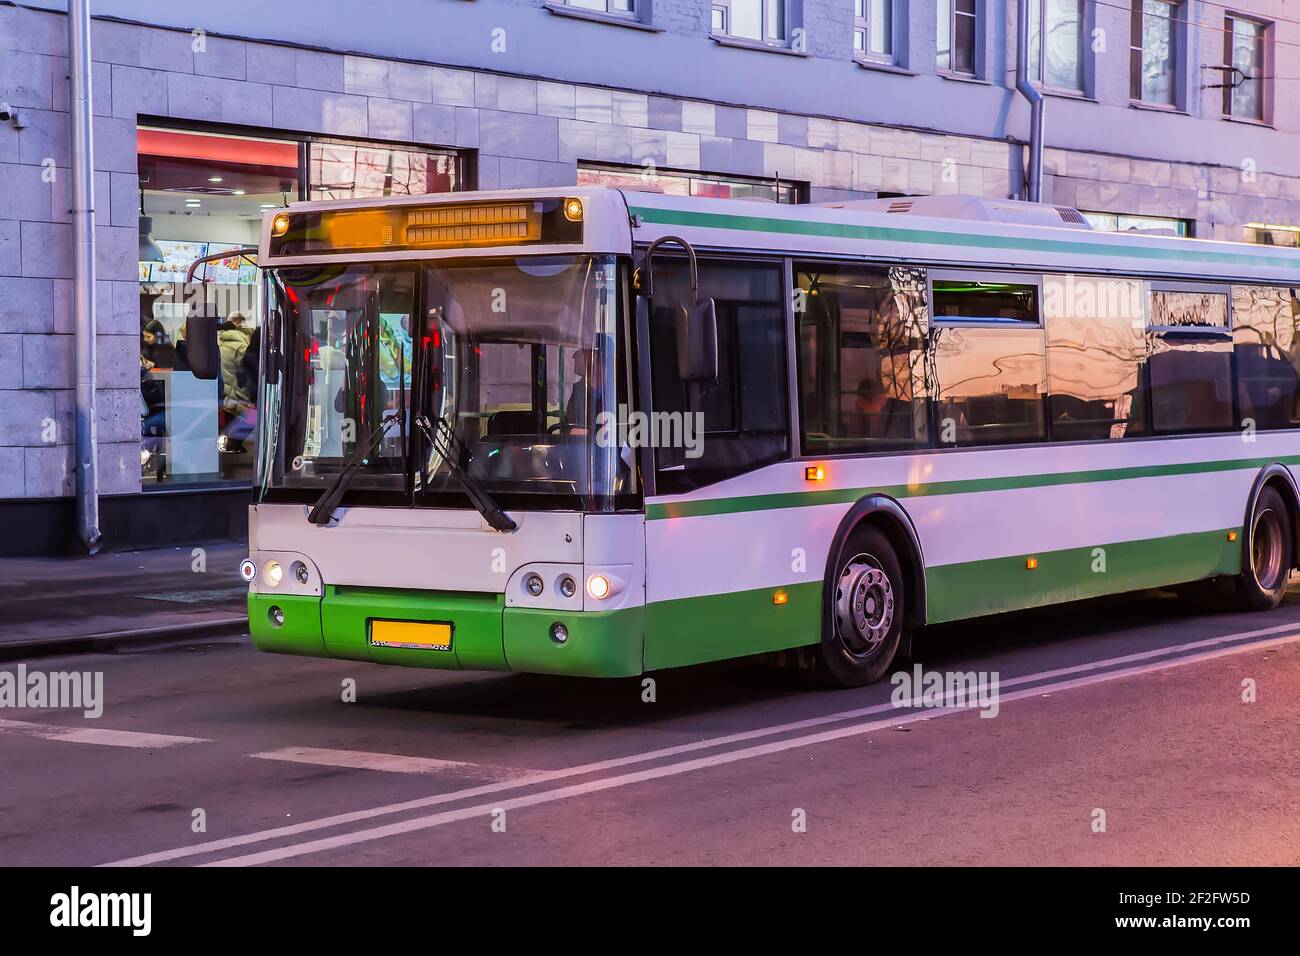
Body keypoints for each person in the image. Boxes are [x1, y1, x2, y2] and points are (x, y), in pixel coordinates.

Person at [853, 375, 914, 442]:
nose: (866, 417)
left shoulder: (899, 415)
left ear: (872, 400)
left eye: (863, 409)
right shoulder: (888, 413)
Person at [563, 347, 602, 435]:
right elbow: (567, 427)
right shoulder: (578, 389)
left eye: (586, 353)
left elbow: (618, 432)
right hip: (579, 446)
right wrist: (570, 431)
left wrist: (588, 433)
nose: (575, 358)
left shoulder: (614, 394)